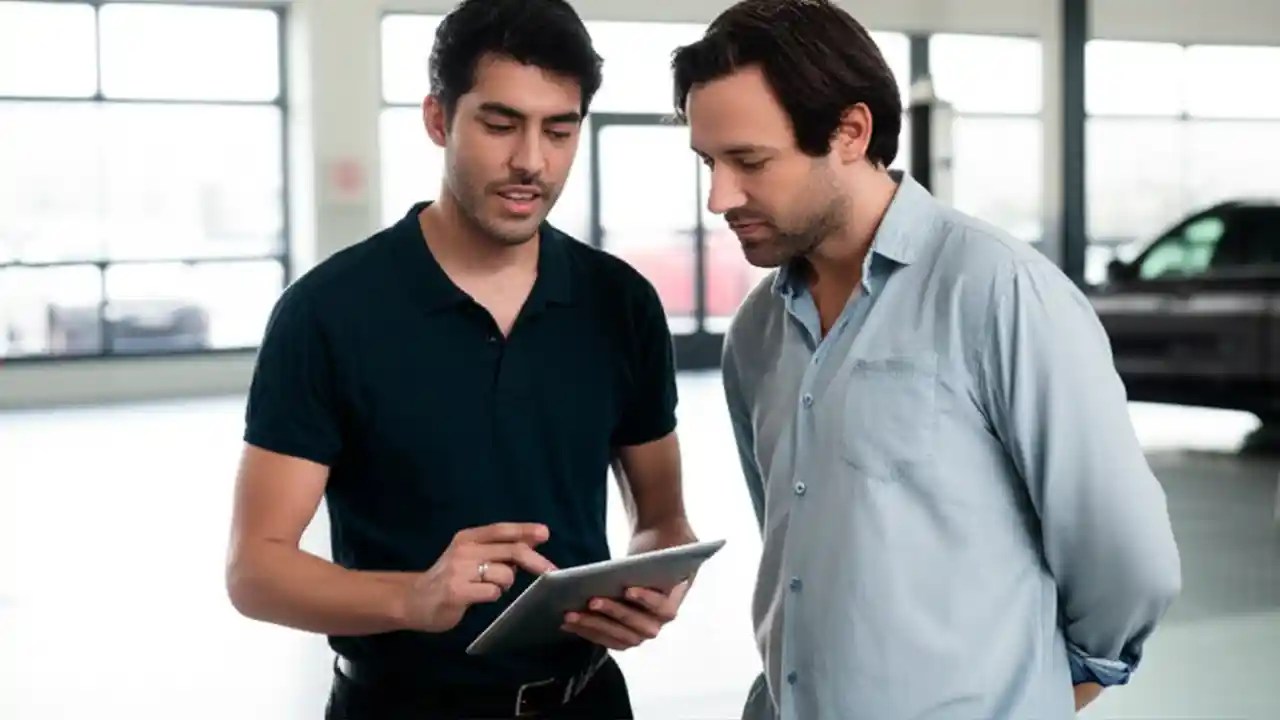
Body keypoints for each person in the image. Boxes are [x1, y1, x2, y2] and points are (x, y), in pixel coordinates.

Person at [671, 2, 1182, 719]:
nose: (720, 197)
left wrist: (1057, 683)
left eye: (750, 162)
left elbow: (1125, 554)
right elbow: (793, 544)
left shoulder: (998, 290)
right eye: (708, 162)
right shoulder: (756, 331)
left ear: (851, 132)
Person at [225, 0, 699, 717]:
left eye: (559, 130)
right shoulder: (328, 312)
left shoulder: (621, 303)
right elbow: (255, 569)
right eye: (500, 124)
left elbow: (663, 518)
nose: (531, 161)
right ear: (439, 120)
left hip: (588, 701)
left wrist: (650, 587)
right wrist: (411, 596)